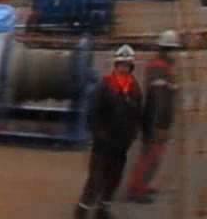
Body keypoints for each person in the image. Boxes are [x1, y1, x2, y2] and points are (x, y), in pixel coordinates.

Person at [76, 45, 143, 219]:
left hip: (121, 145)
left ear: (131, 66)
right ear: (116, 64)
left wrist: (132, 134)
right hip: (103, 144)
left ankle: (103, 210)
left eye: (127, 65)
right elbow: (92, 113)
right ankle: (82, 211)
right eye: (121, 64)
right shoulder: (105, 85)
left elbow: (137, 114)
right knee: (95, 179)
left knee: (114, 178)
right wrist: (99, 134)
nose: (124, 68)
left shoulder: (134, 88)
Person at [127, 31, 181, 203]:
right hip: (155, 121)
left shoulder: (163, 66)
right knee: (149, 157)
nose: (175, 54)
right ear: (165, 50)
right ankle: (136, 190)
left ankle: (143, 185)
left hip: (159, 120)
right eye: (172, 50)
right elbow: (158, 99)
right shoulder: (159, 67)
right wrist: (159, 125)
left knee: (154, 157)